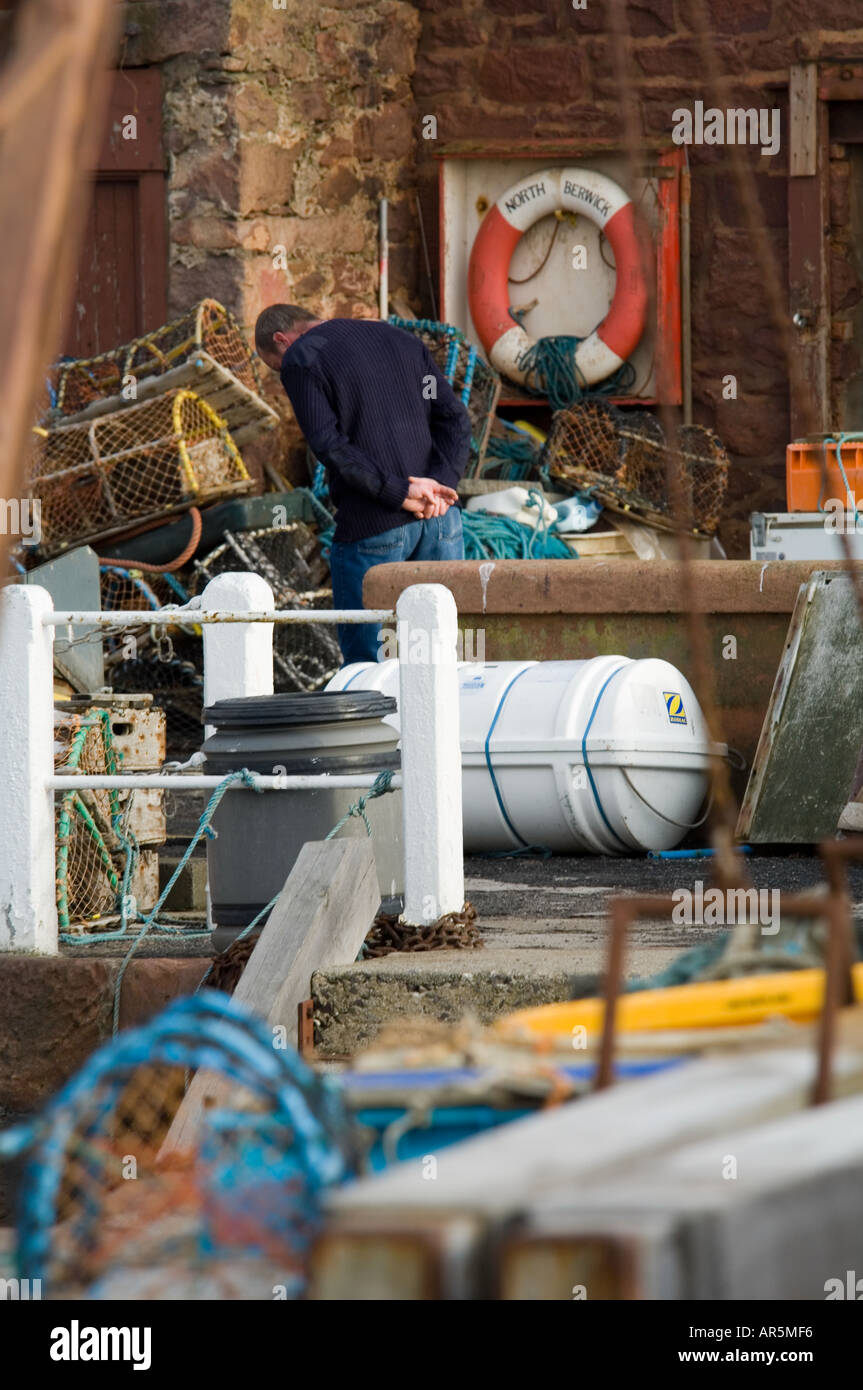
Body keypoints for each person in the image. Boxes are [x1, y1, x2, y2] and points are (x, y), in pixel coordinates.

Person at [255, 304, 470, 665]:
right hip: (441, 521)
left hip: (374, 530)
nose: (282, 372)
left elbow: (330, 446)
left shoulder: (301, 357)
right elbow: (454, 418)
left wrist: (399, 492)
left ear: (282, 340)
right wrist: (440, 485)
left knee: (372, 669)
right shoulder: (401, 339)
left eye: (275, 366)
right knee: (441, 658)